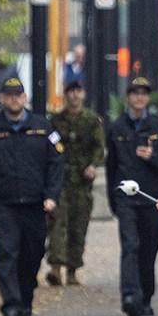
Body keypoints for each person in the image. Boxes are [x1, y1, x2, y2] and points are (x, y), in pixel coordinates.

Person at [0, 77, 64, 316]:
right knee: (7, 252)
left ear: (25, 97)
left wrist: (52, 196)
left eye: (18, 95)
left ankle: (25, 297)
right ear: (1, 99)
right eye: (9, 95)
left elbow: (56, 164)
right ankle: (10, 303)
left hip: (34, 203)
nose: (14, 99)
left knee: (32, 253)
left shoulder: (43, 127)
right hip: (3, 203)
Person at [105, 76, 158, 316]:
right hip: (126, 198)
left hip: (151, 197)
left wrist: (153, 157)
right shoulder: (117, 128)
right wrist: (113, 200)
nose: (140, 97)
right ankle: (130, 296)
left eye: (144, 93)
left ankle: (145, 296)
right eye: (135, 93)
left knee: (149, 248)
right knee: (130, 245)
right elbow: (111, 165)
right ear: (128, 97)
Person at [45, 81, 105, 287]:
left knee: (78, 226)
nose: (74, 96)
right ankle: (55, 268)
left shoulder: (91, 121)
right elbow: (49, 147)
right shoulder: (55, 121)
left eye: (78, 92)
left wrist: (93, 165)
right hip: (60, 180)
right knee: (57, 224)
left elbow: (99, 147)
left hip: (81, 182)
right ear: (65, 95)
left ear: (84, 94)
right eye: (71, 92)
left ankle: (72, 270)